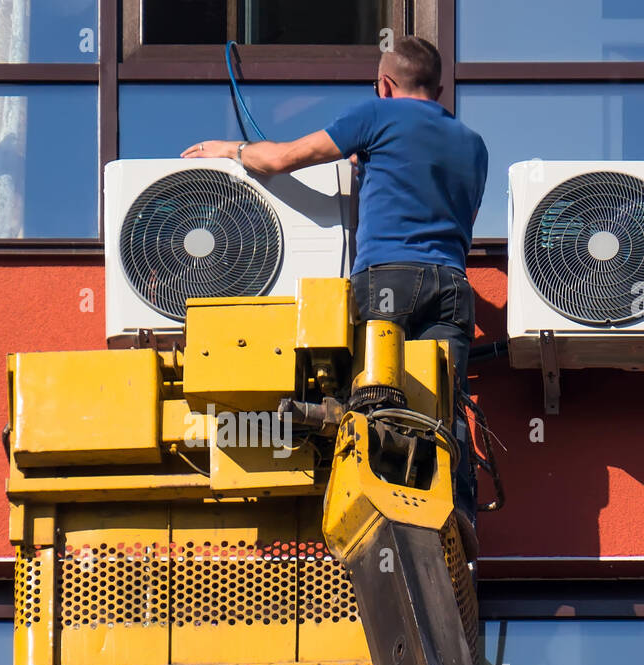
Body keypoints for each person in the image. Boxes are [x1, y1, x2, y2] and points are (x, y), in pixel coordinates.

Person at [182, 35, 489, 529]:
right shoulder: (473, 145)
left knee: (376, 397)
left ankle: (380, 514)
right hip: (452, 285)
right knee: (444, 406)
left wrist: (232, 149)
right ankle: (456, 517)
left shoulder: (375, 116)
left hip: (390, 276)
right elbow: (456, 209)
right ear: (437, 86)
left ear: (385, 85)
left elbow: (282, 158)